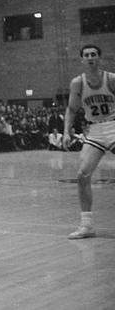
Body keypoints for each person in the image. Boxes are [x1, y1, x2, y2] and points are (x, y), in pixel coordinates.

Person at [63, 44, 115, 239]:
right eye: (87, 55)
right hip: (94, 131)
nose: (90, 57)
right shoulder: (78, 83)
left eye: (94, 54)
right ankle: (87, 225)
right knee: (82, 175)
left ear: (99, 58)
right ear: (82, 60)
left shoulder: (111, 79)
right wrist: (66, 132)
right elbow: (71, 109)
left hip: (114, 125)